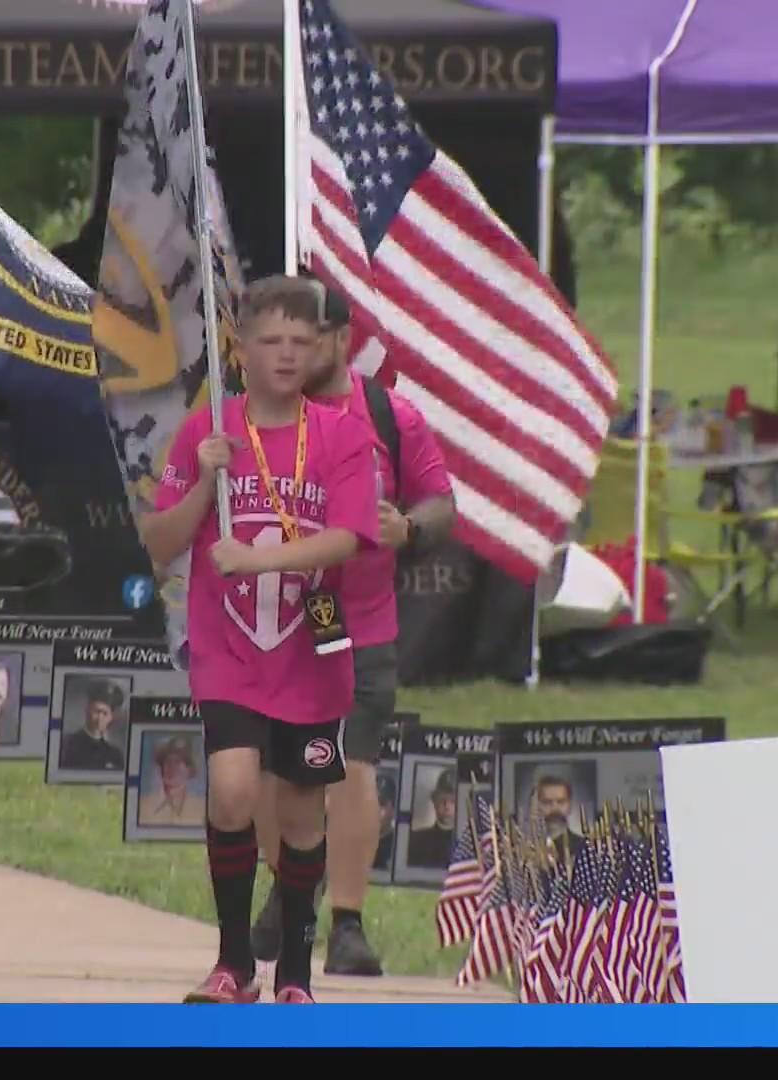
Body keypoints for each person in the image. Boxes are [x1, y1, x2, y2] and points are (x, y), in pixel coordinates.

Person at [139, 274, 380, 1005]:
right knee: (236, 788)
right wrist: (203, 489)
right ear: (238, 350)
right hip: (230, 648)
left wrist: (258, 558)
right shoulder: (208, 430)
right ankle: (233, 961)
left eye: (300, 343)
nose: (285, 354)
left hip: (313, 644)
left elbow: (346, 538)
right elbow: (158, 542)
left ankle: (296, 975)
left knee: (304, 811)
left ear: (318, 353)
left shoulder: (341, 432)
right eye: (269, 341)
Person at [251, 278, 455, 976]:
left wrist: (412, 527)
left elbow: (439, 503)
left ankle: (347, 924)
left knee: (351, 764)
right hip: (277, 621)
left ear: (340, 340)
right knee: (274, 772)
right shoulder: (256, 416)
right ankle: (286, 892)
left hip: (356, 620)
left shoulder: (390, 417)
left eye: (306, 339)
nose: (294, 353)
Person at [60, 679, 126, 771]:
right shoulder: (67, 744)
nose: (99, 718)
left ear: (111, 718)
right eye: (96, 711)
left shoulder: (115, 755)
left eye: (105, 713)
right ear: (87, 710)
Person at [138, 735, 204, 826]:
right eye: (168, 761)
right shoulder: (142, 805)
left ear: (189, 770)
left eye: (178, 762)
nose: (172, 767)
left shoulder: (202, 808)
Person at [406, 769, 458, 869]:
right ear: (434, 800)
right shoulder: (415, 841)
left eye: (453, 801)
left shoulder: (470, 845)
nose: (447, 806)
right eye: (442, 800)